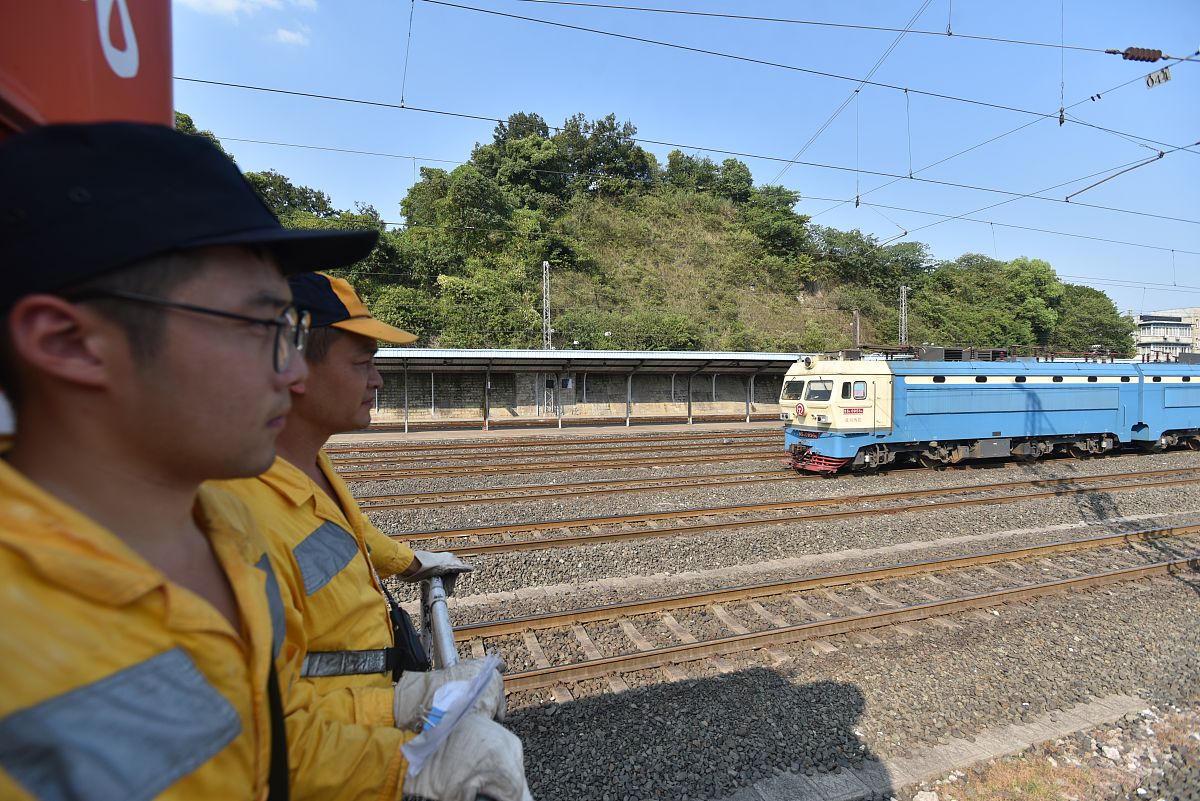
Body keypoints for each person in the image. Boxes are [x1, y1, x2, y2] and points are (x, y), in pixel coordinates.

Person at [0, 122, 527, 801]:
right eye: (261, 327)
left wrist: (408, 763)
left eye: (294, 331)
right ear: (71, 342)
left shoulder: (221, 525)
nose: (290, 371)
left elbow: (275, 733)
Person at [214, 271, 516, 767]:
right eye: (362, 363)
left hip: (364, 710)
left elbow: (355, 535)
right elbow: (264, 727)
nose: (376, 380)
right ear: (292, 369)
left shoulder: (310, 460)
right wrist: (407, 757)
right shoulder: (240, 515)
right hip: (341, 751)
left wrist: (411, 562)